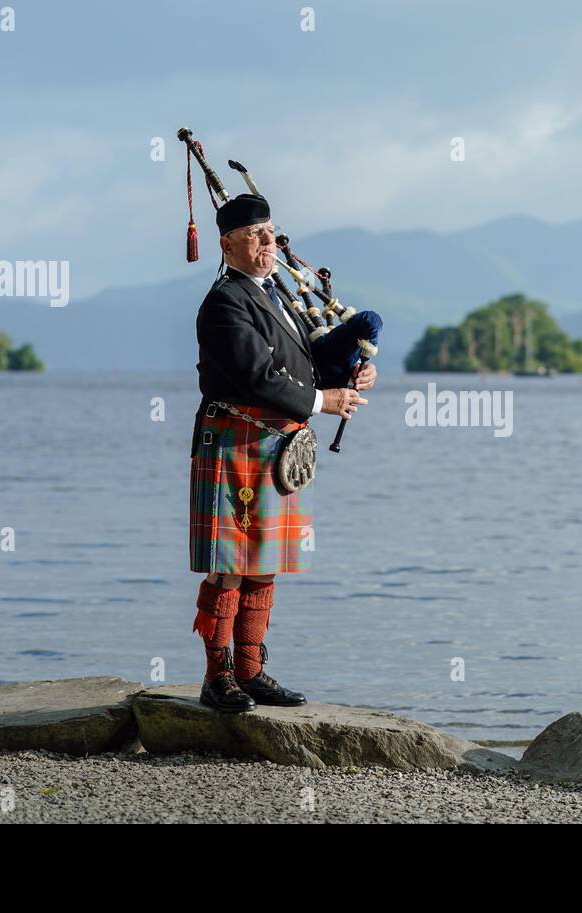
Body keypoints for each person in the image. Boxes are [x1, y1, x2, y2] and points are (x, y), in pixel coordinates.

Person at [188, 192, 374, 711]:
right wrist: (322, 400)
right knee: (229, 563)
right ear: (227, 245)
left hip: (275, 440)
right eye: (256, 236)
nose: (270, 244)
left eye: (271, 234)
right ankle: (217, 678)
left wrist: (348, 375)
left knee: (263, 562)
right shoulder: (226, 302)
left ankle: (250, 671)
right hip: (235, 436)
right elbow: (257, 375)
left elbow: (302, 359)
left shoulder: (275, 294)